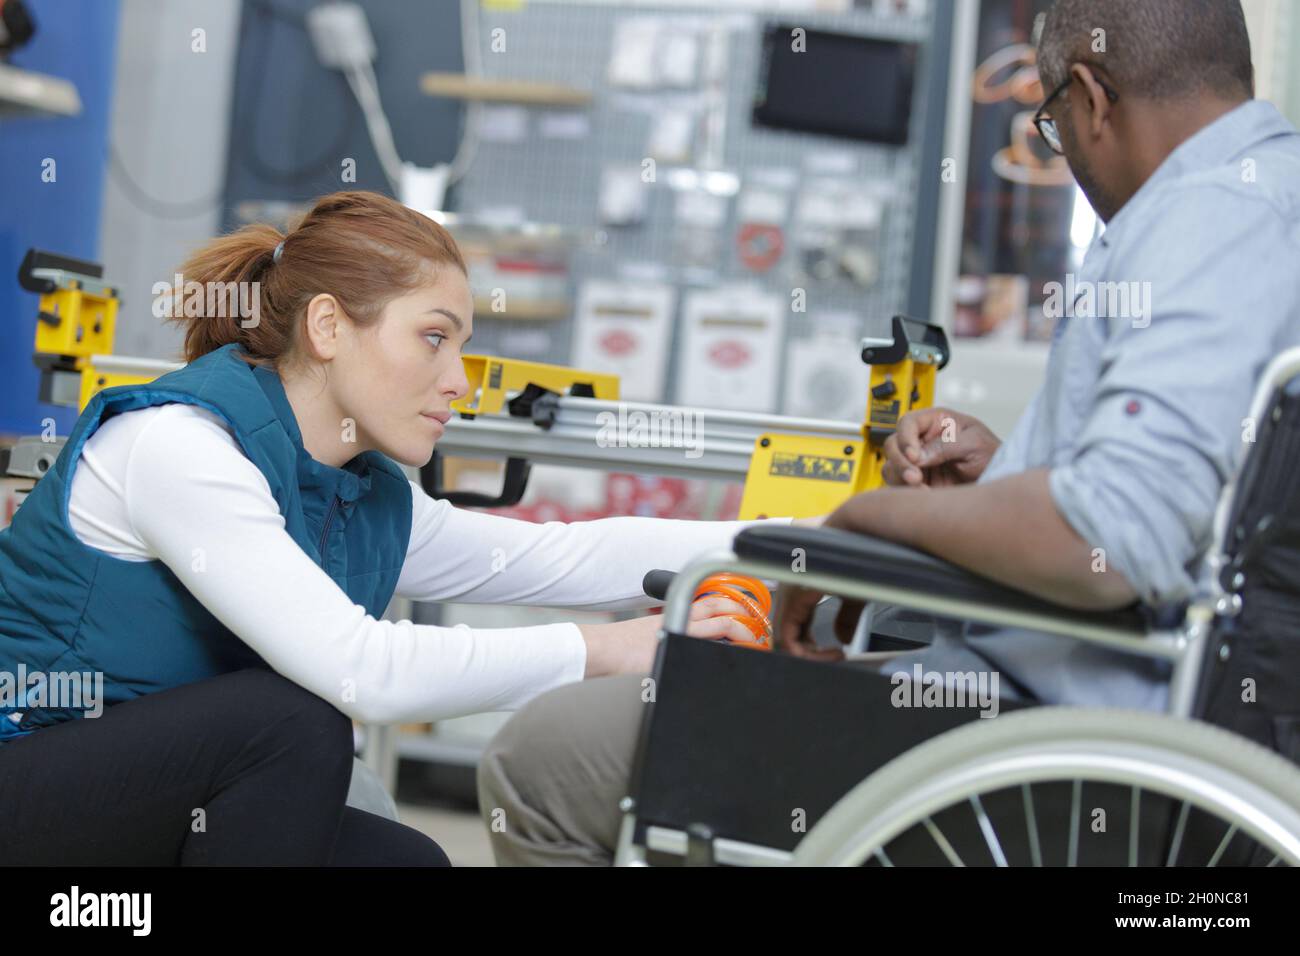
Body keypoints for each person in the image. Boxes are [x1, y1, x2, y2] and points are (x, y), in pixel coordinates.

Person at [476, 0, 1300, 865]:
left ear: (1090, 97)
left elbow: (1114, 537)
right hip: (1081, 702)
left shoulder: (1209, 224)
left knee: (545, 761)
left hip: (1051, 742)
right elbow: (1193, 503)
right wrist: (1008, 472)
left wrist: (866, 521)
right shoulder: (1263, 194)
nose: (1065, 156)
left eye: (1052, 128)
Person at [0, 191, 809, 865]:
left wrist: (826, 537)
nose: (458, 381)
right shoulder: (179, 447)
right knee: (294, 722)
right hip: (29, 786)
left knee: (409, 863)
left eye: (461, 346)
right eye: (433, 337)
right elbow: (366, 672)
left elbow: (562, 556)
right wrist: (610, 648)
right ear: (326, 329)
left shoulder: (359, 491)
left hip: (144, 800)